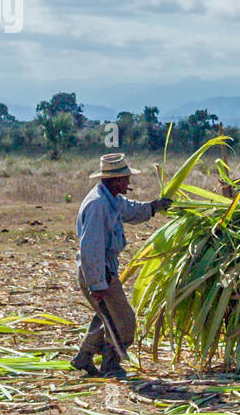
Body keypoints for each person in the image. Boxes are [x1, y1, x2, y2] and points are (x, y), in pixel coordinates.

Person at [72, 153, 172, 379]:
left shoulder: (112, 199)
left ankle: (83, 357)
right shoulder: (98, 205)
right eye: (126, 178)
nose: (128, 182)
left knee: (106, 316)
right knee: (125, 321)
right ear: (115, 180)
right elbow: (91, 248)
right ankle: (111, 364)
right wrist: (97, 284)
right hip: (98, 272)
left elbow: (132, 210)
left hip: (103, 270)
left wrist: (154, 207)